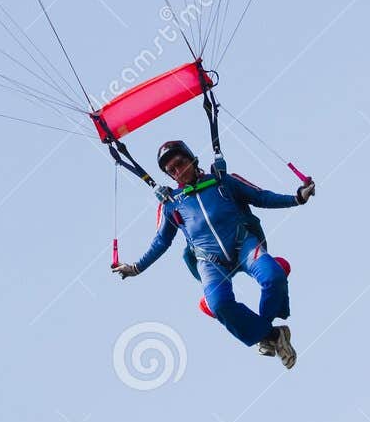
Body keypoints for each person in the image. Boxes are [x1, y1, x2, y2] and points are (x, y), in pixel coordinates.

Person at [115, 138, 315, 369]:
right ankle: (271, 336)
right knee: (219, 305)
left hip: (243, 245)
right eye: (172, 171)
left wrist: (297, 198)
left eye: (180, 163)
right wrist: (136, 267)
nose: (178, 171)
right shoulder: (171, 204)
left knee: (274, 277)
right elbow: (161, 241)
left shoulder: (222, 181)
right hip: (209, 261)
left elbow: (261, 197)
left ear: (191, 159)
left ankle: (269, 332)